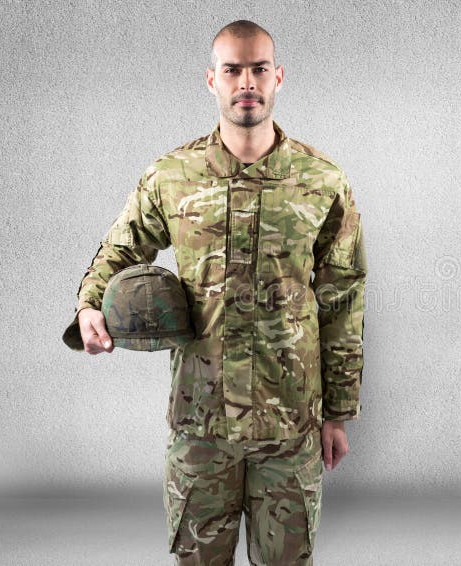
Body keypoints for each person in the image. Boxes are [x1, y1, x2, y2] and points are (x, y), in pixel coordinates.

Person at [68, 20, 366, 565]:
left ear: (278, 78)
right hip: (200, 424)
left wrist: (338, 411)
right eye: (232, 69)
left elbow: (343, 297)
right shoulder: (171, 177)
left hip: (290, 423)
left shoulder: (323, 182)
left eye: (257, 69)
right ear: (212, 80)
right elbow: (119, 249)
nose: (245, 81)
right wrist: (89, 304)